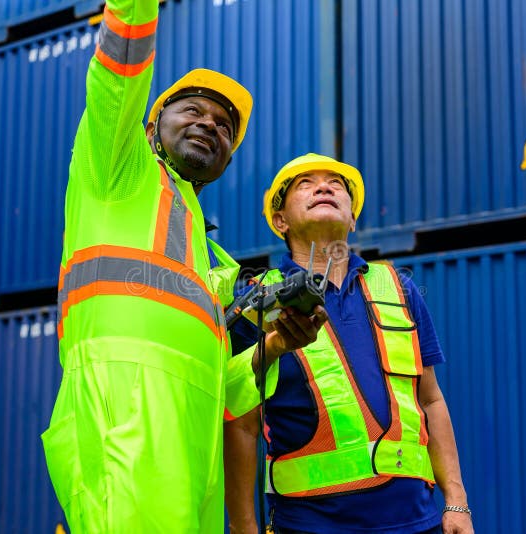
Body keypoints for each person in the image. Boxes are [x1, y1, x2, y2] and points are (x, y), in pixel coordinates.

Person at [41, 2, 326, 532]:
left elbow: (224, 387)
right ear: (150, 126)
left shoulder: (210, 259)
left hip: (195, 448)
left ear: (227, 162)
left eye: (223, 125)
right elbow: (118, 68)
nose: (209, 125)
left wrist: (275, 347)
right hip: (125, 418)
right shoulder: (117, 168)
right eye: (192, 111)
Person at [224, 153, 474, 534]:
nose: (324, 187)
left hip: (417, 523)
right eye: (305, 184)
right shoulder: (258, 303)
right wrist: (244, 528)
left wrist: (456, 503)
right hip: (308, 524)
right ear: (280, 220)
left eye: (336, 184)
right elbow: (241, 426)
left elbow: (431, 400)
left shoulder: (399, 287)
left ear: (353, 218)